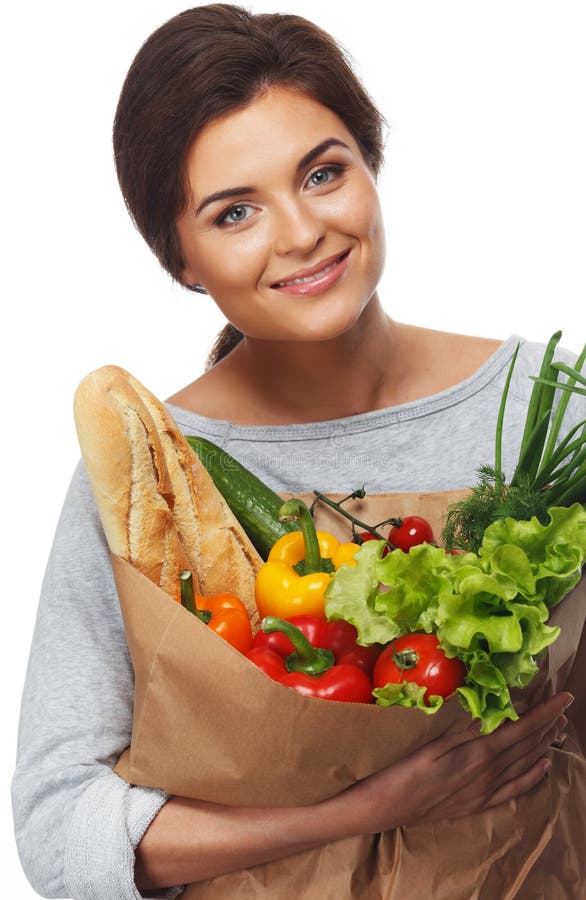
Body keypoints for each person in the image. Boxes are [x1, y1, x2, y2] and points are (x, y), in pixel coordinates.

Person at [12, 5, 583, 899]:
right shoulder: (148, 474)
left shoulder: (549, 412)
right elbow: (58, 833)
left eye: (322, 173)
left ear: (371, 166)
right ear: (181, 259)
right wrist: (363, 810)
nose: (300, 233)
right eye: (235, 212)